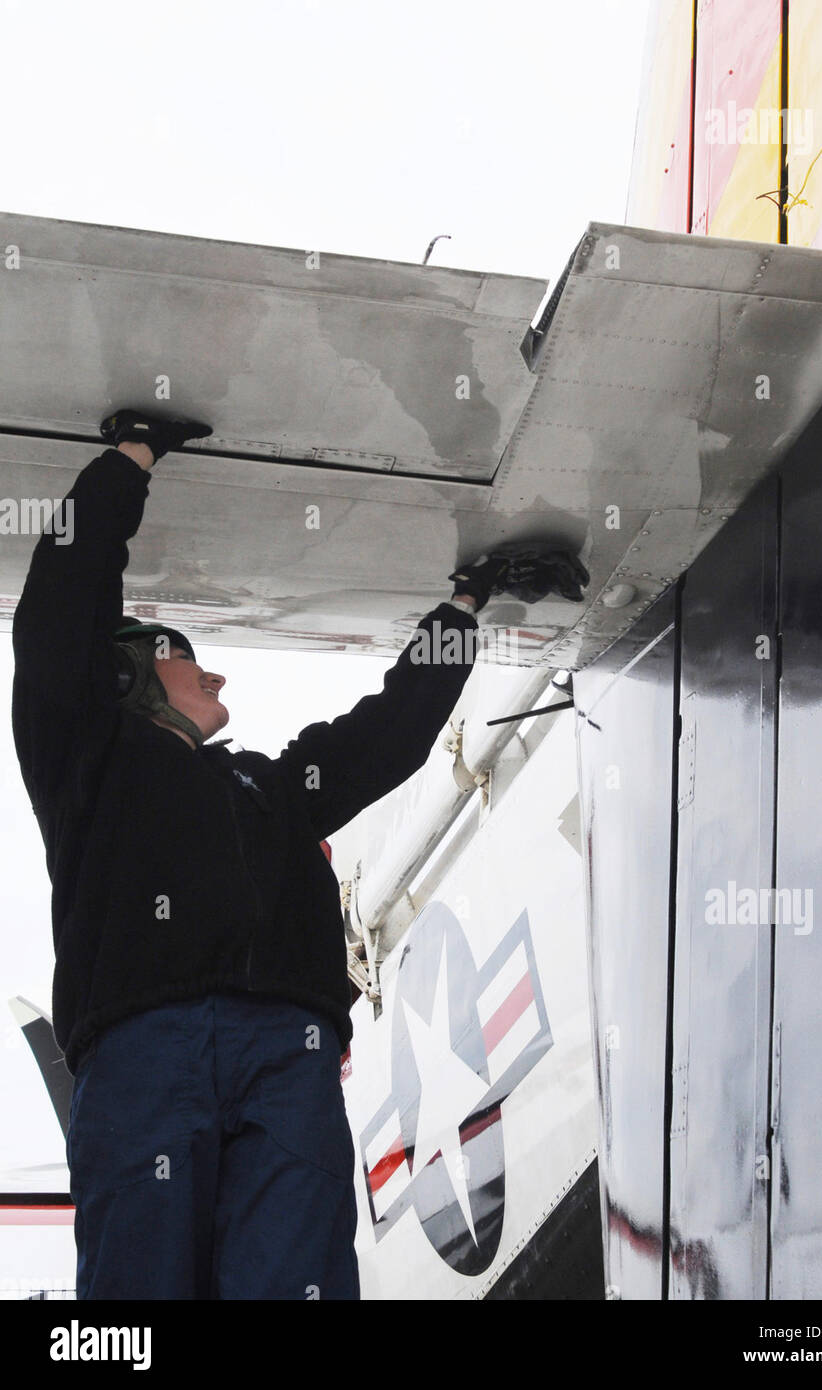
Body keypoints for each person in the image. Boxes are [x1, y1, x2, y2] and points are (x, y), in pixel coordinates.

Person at [11, 408, 513, 1301]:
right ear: (122, 676)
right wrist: (131, 457)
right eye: (182, 658)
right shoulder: (82, 755)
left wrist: (466, 608)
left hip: (290, 1050)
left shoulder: (267, 787)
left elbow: (384, 735)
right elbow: (58, 610)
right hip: (142, 1051)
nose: (214, 676)